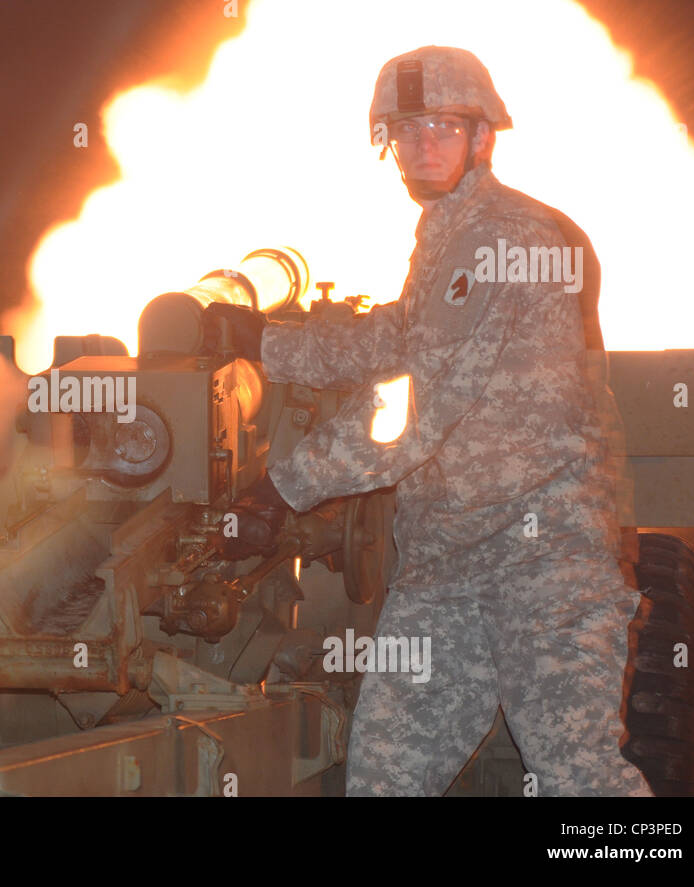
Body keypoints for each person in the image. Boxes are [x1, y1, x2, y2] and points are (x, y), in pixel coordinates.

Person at [207, 46, 650, 796]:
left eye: (443, 126)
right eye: (406, 131)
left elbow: (418, 405)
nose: (423, 147)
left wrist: (281, 488)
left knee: (581, 780)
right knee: (384, 777)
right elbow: (395, 337)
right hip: (446, 567)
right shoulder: (445, 234)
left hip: (544, 563)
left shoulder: (509, 238)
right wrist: (264, 343)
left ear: (484, 137)